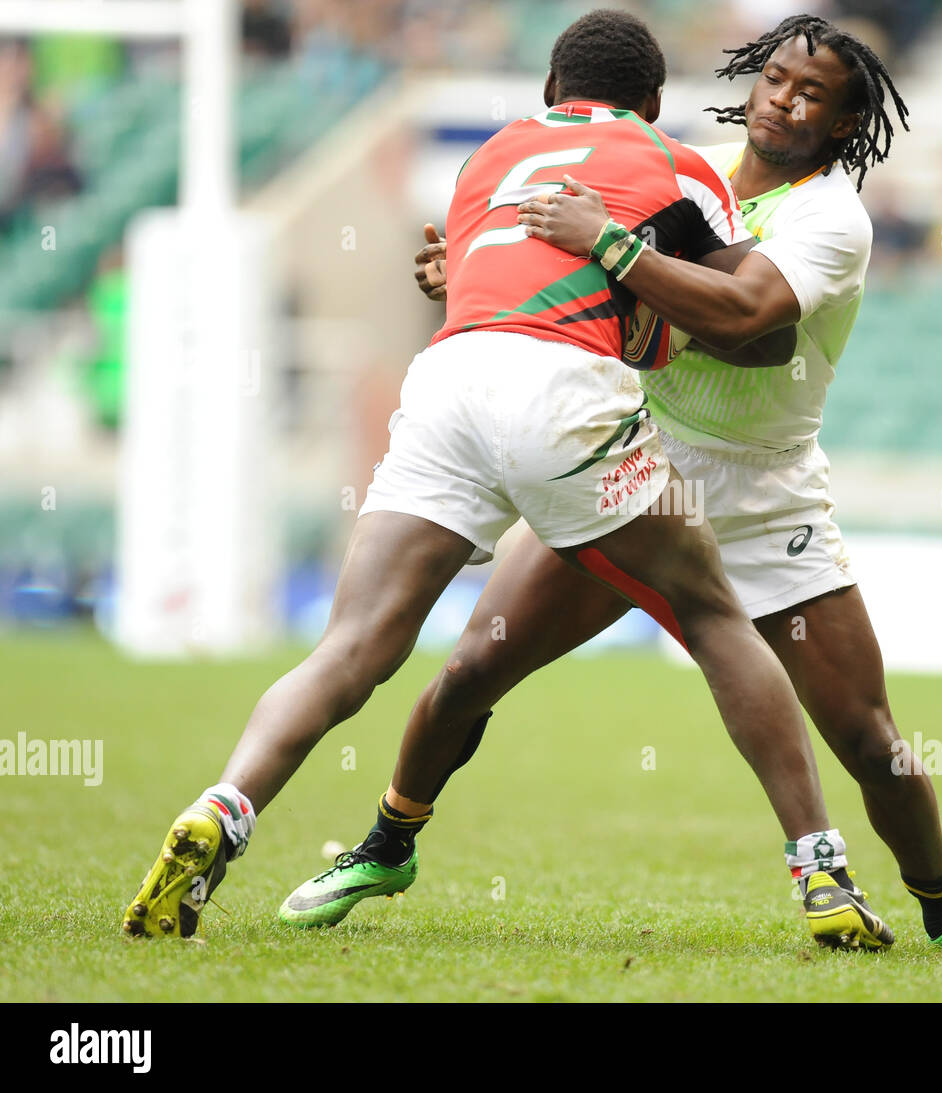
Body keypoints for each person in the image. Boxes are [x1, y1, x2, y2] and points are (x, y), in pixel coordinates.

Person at [123, 9, 888, 951]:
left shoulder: (487, 158)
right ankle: (821, 871)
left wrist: (476, 267)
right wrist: (628, 271)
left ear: (547, 93)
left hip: (446, 382)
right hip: (559, 393)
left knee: (352, 647)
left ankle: (223, 805)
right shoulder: (678, 165)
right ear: (652, 103)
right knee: (716, 617)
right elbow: (753, 324)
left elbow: (484, 266)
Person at [285, 14, 942, 951]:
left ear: (845, 126)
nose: (785, 100)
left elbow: (750, 318)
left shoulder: (831, 215)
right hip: (640, 457)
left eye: (814, 95)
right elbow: (561, 269)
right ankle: (387, 842)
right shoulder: (690, 166)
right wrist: (468, 274)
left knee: (867, 736)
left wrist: (614, 245)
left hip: (765, 493)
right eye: (777, 79)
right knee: (475, 666)